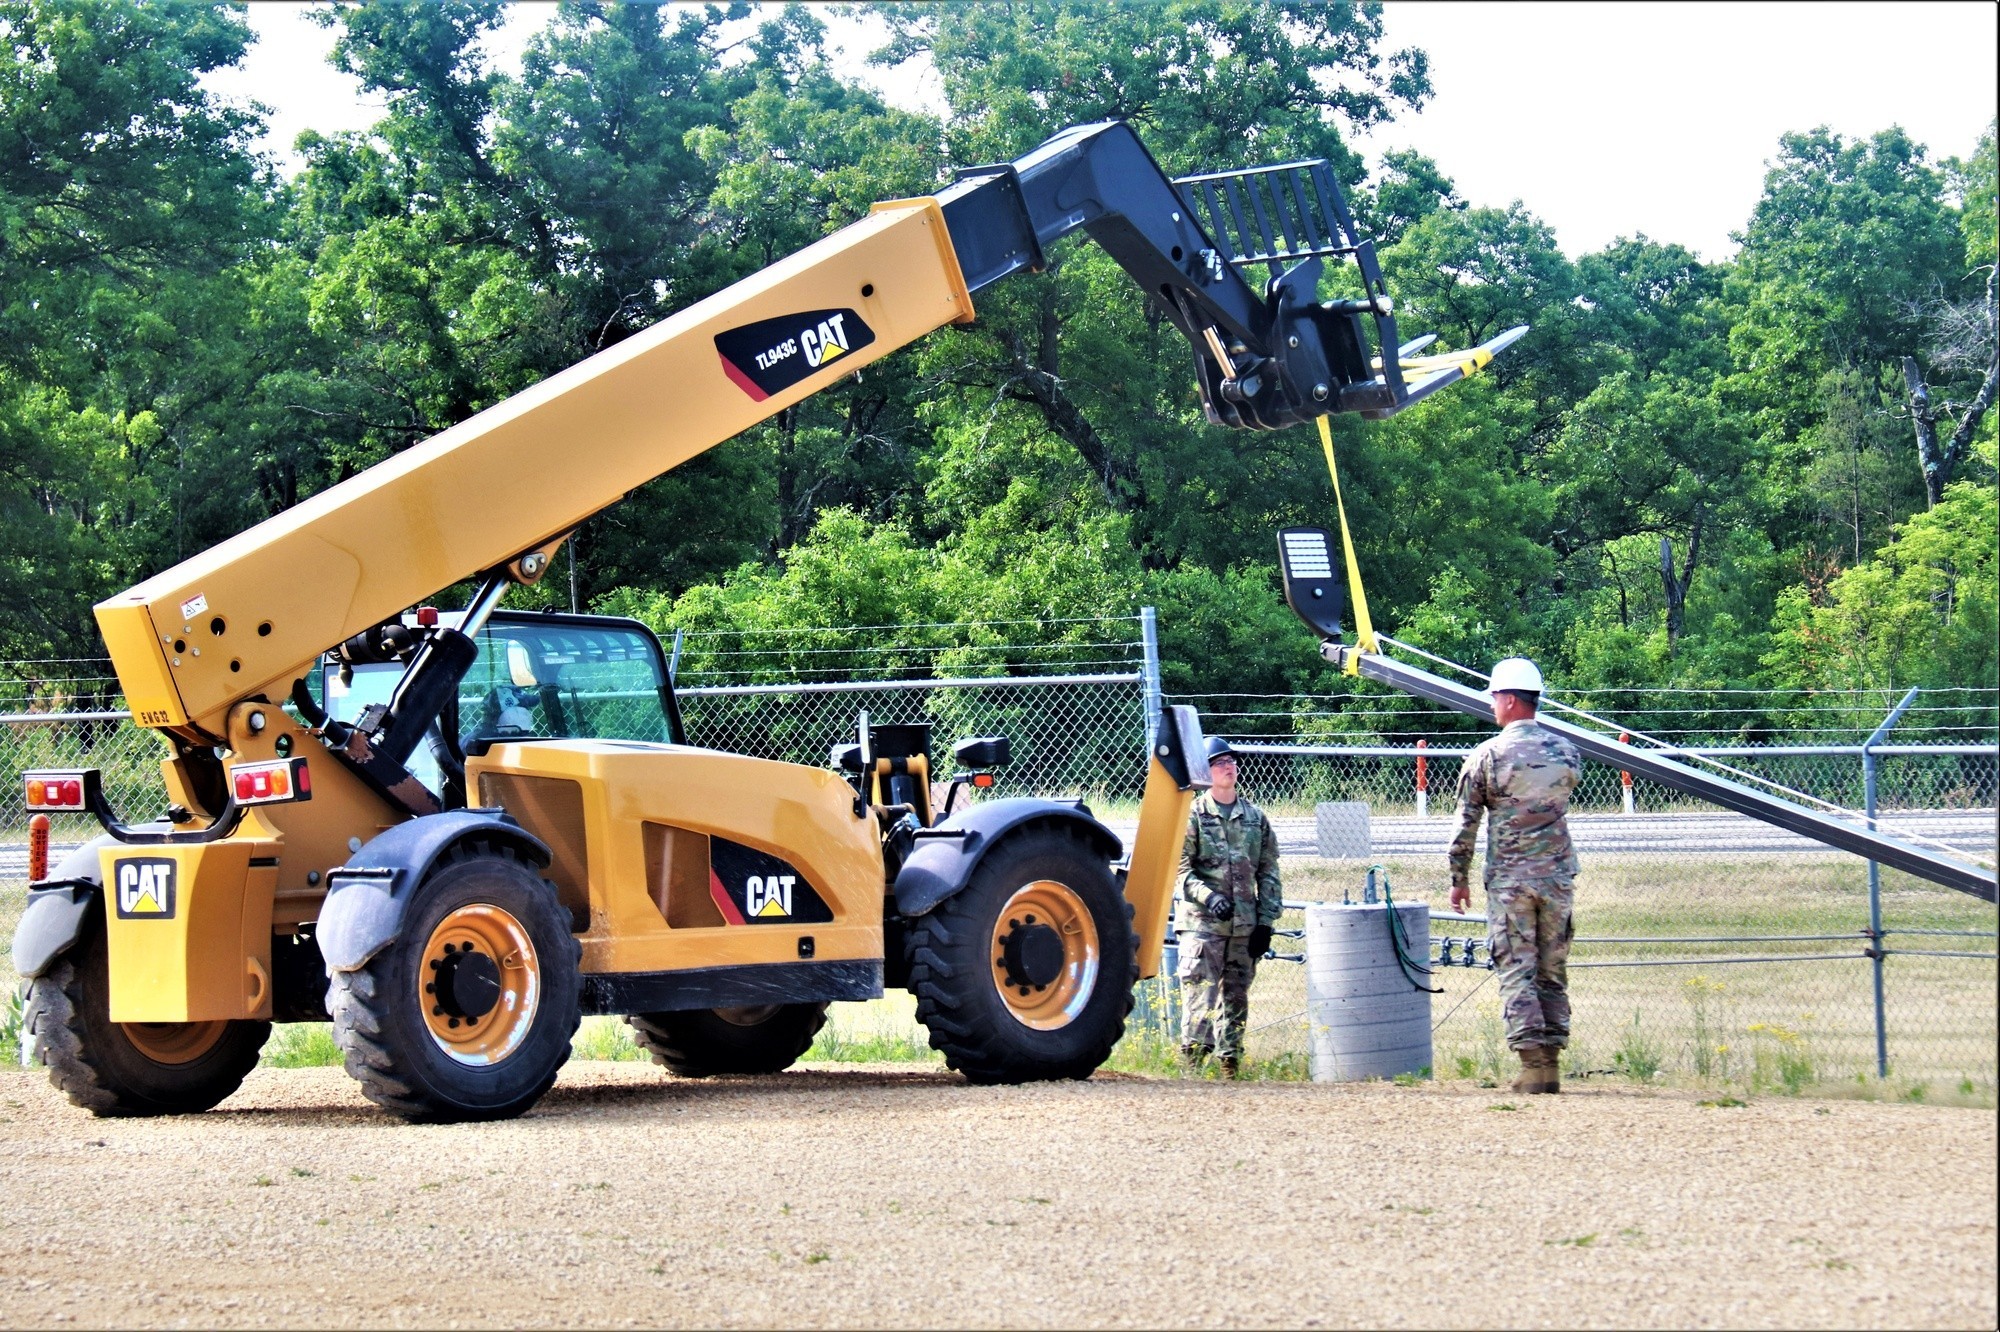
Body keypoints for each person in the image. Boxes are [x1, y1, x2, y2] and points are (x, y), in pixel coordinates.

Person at [1448, 657, 1583, 1094]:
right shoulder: (1565, 751)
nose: (1492, 705)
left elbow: (1465, 823)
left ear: (1507, 699)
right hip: (1558, 877)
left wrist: (1459, 877)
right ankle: (1551, 1066)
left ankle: (1531, 1066)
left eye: (1494, 698)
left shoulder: (1488, 755)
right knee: (1552, 968)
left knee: (1516, 968)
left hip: (1511, 880)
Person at [1175, 735, 1282, 1077]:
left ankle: (1229, 1069)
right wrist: (1210, 897)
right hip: (1202, 926)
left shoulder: (1254, 818)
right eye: (1220, 763)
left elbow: (1268, 871)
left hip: (1243, 926)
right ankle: (1191, 1071)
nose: (1228, 767)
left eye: (1231, 762)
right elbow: (1180, 870)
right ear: (1205, 772)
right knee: (1200, 999)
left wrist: (1265, 922)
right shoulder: (1192, 816)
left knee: (1236, 998)